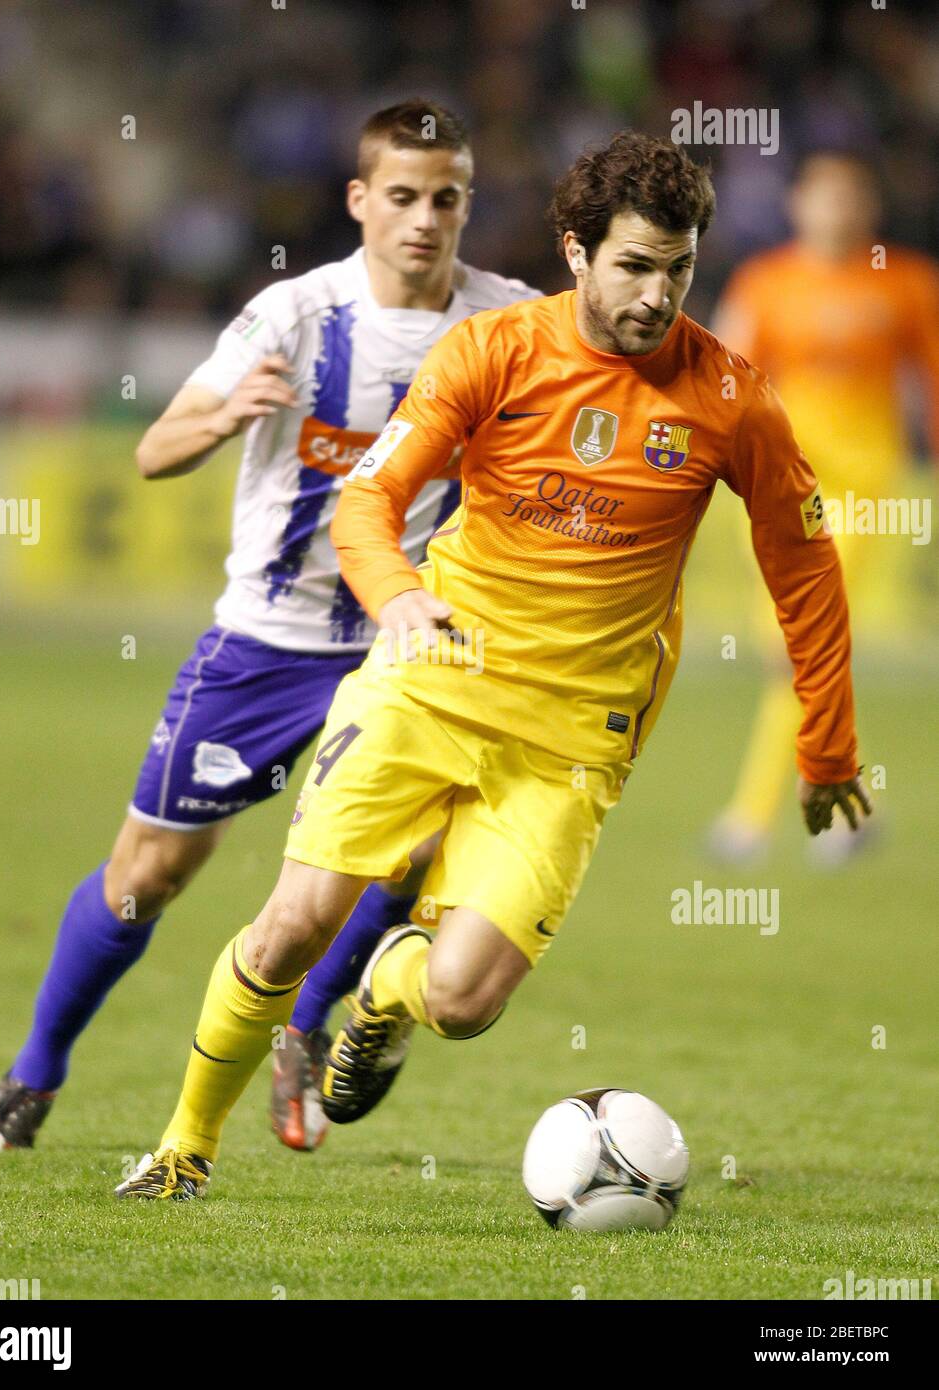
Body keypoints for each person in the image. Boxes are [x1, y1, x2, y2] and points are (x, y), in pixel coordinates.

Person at [115, 131, 870, 1202]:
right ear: (575, 252)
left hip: (573, 734)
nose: (657, 296)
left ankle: (385, 992)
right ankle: (183, 1149)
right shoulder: (490, 351)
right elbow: (368, 504)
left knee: (462, 1001)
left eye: (678, 268)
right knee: (289, 926)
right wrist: (399, 595)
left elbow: (803, 566)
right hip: (429, 681)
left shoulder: (731, 398)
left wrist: (826, 744)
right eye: (633, 266)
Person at [0, 100, 537, 1157]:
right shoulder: (294, 313)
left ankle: (307, 1027)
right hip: (267, 642)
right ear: (359, 200)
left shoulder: (509, 322)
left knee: (410, 850)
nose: (422, 219)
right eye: (401, 197)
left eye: (445, 198)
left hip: (405, 642)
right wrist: (221, 417)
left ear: (467, 204)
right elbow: (153, 452)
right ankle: (35, 1071)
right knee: (146, 877)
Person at [707, 150, 939, 865]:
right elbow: (726, 382)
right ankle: (847, 808)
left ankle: (749, 819)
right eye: (824, 196)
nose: (837, 210)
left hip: (863, 494)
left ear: (868, 207)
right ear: (798, 204)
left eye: (850, 196)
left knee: (796, 649)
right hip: (781, 486)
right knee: (796, 651)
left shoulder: (906, 282)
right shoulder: (764, 283)